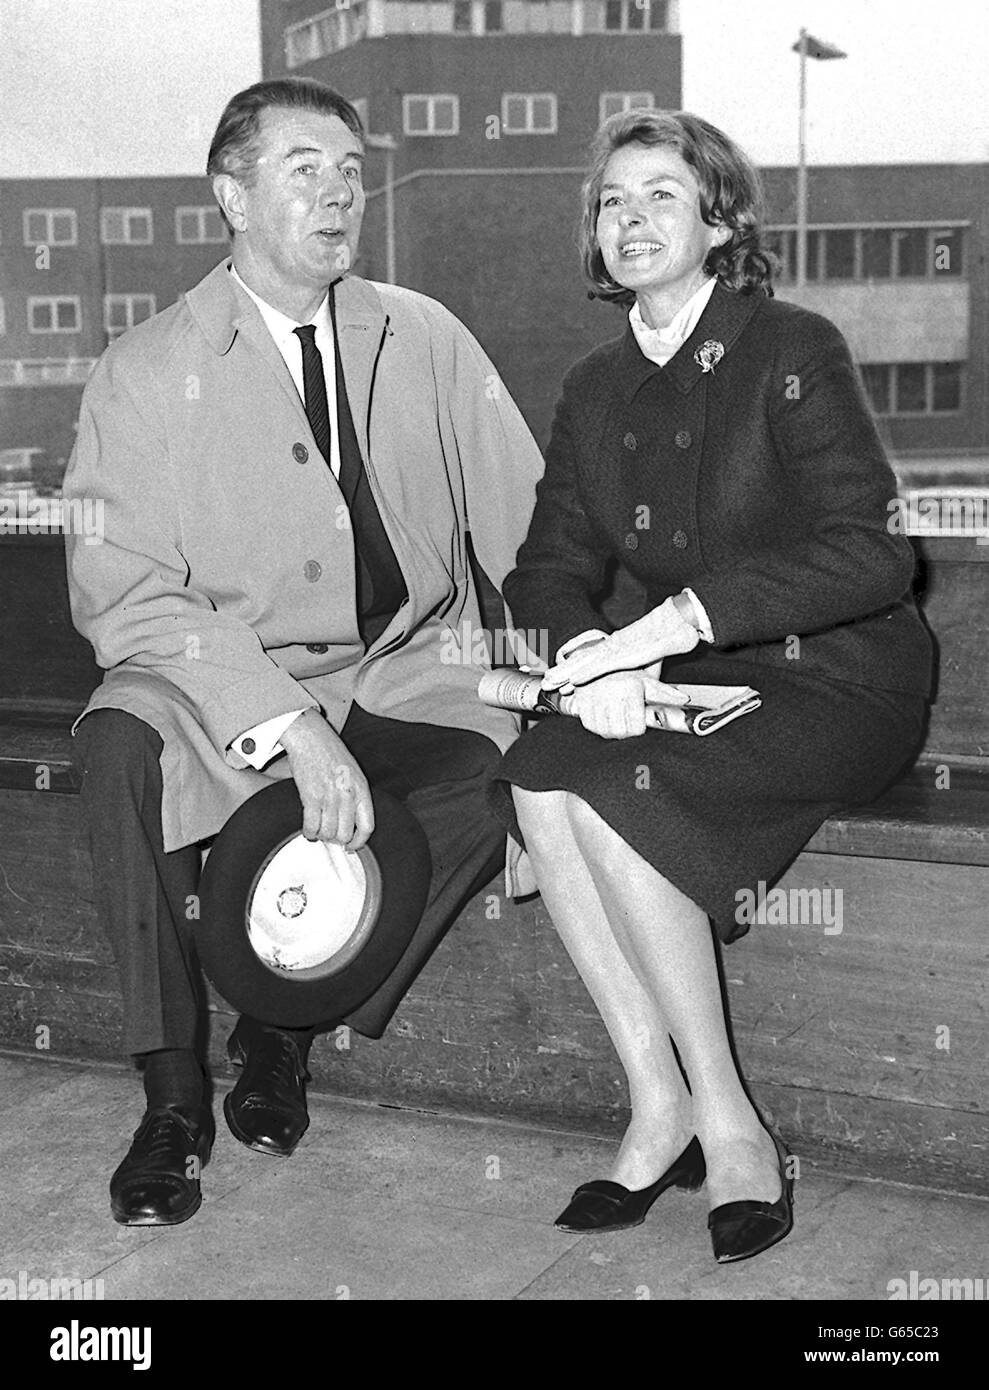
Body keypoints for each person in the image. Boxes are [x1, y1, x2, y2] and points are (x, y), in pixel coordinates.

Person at [63, 77, 542, 1226]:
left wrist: (572, 689)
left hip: (400, 664)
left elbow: (532, 525)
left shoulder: (424, 334)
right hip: (217, 678)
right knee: (116, 740)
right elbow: (120, 586)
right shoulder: (141, 369)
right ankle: (171, 1097)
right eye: (303, 169)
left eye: (349, 169)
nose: (339, 194)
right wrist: (288, 725)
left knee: (507, 768)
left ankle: (283, 1024)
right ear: (231, 194)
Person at [489, 110, 933, 1263]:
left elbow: (875, 551)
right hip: (682, 681)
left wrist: (668, 626)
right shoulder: (593, 386)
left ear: (719, 221)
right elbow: (544, 568)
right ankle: (657, 1102)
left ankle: (733, 1123)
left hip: (835, 678)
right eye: (610, 202)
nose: (628, 221)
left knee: (613, 798)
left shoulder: (789, 346)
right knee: (541, 773)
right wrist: (585, 664)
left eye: (659, 198)